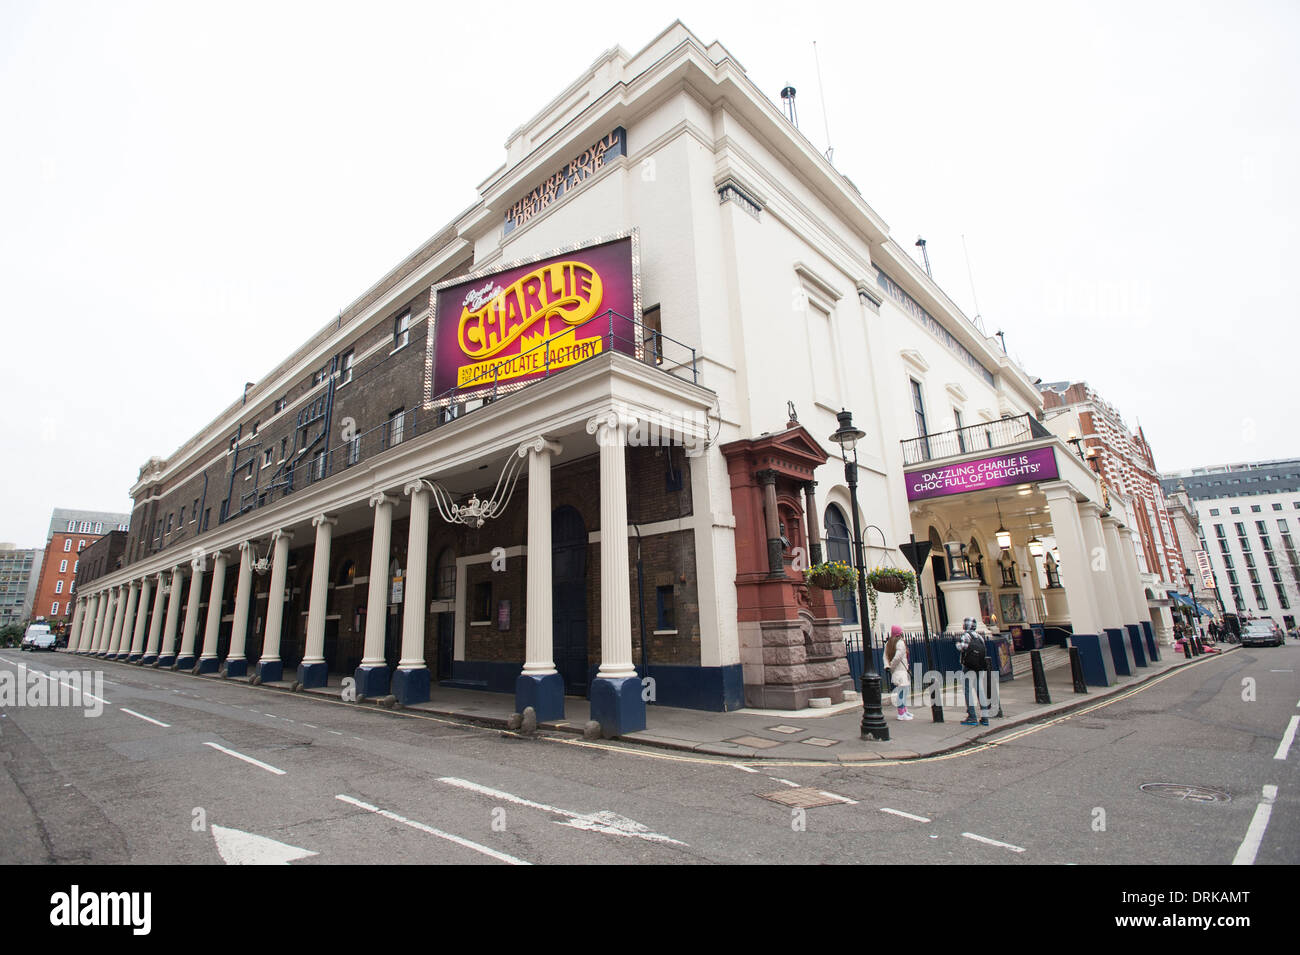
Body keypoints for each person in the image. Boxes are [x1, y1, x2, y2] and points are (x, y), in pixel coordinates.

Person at [955, 616, 990, 726]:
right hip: (979, 665)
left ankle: (972, 717)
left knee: (967, 690)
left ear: (965, 625)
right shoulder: (980, 637)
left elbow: (962, 647)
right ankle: (985, 718)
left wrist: (957, 644)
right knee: (980, 689)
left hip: (968, 666)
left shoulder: (966, 635)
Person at [884, 625, 912, 720]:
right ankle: (901, 713)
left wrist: (888, 666)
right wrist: (892, 666)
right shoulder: (900, 643)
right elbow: (898, 657)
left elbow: (885, 657)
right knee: (902, 692)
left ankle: (904, 711)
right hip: (901, 671)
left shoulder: (888, 643)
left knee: (903, 691)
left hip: (897, 671)